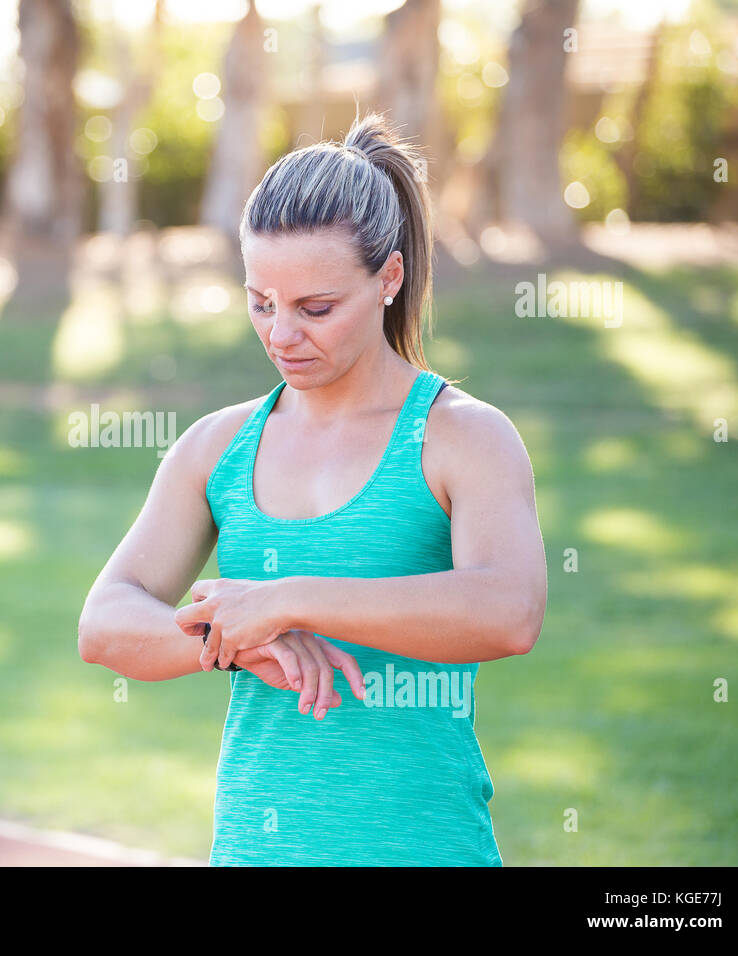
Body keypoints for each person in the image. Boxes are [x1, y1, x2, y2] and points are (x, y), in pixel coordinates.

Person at [77, 113, 547, 866]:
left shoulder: (463, 436)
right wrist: (235, 642)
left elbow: (509, 611)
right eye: (261, 302)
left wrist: (286, 598)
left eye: (315, 309)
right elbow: (104, 622)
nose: (281, 335)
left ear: (389, 278)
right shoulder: (217, 446)